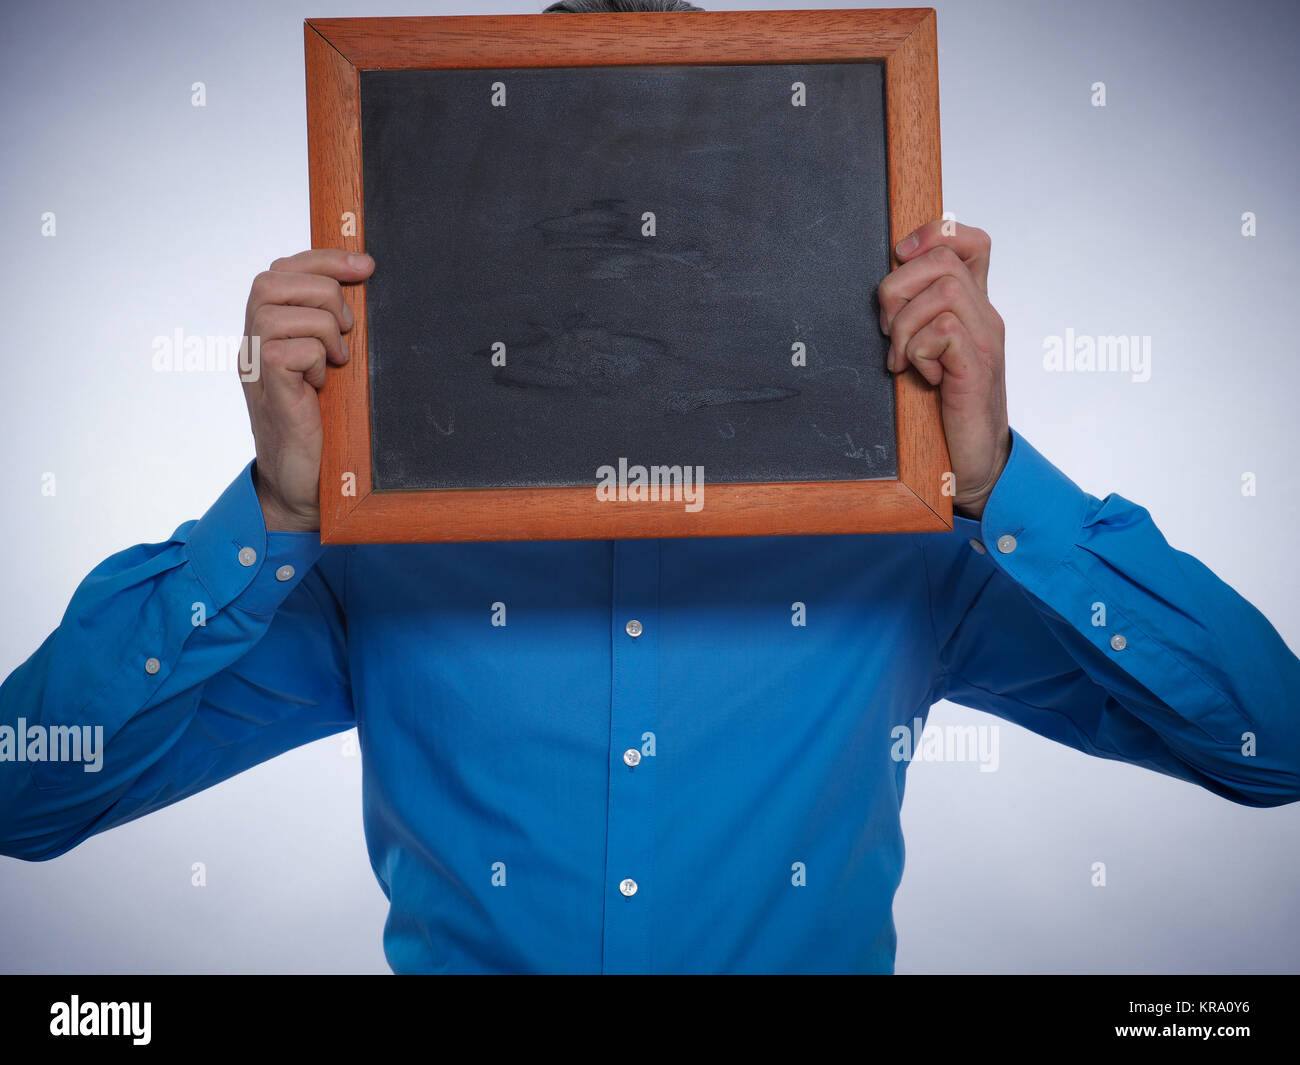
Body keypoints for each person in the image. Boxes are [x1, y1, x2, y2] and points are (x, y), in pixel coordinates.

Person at [2, 0, 1297, 974]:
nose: (631, 256)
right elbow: (23, 786)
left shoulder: (900, 542)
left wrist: (999, 480)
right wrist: (276, 515)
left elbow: (1269, 742)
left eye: (683, 205)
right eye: (571, 206)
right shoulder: (380, 548)